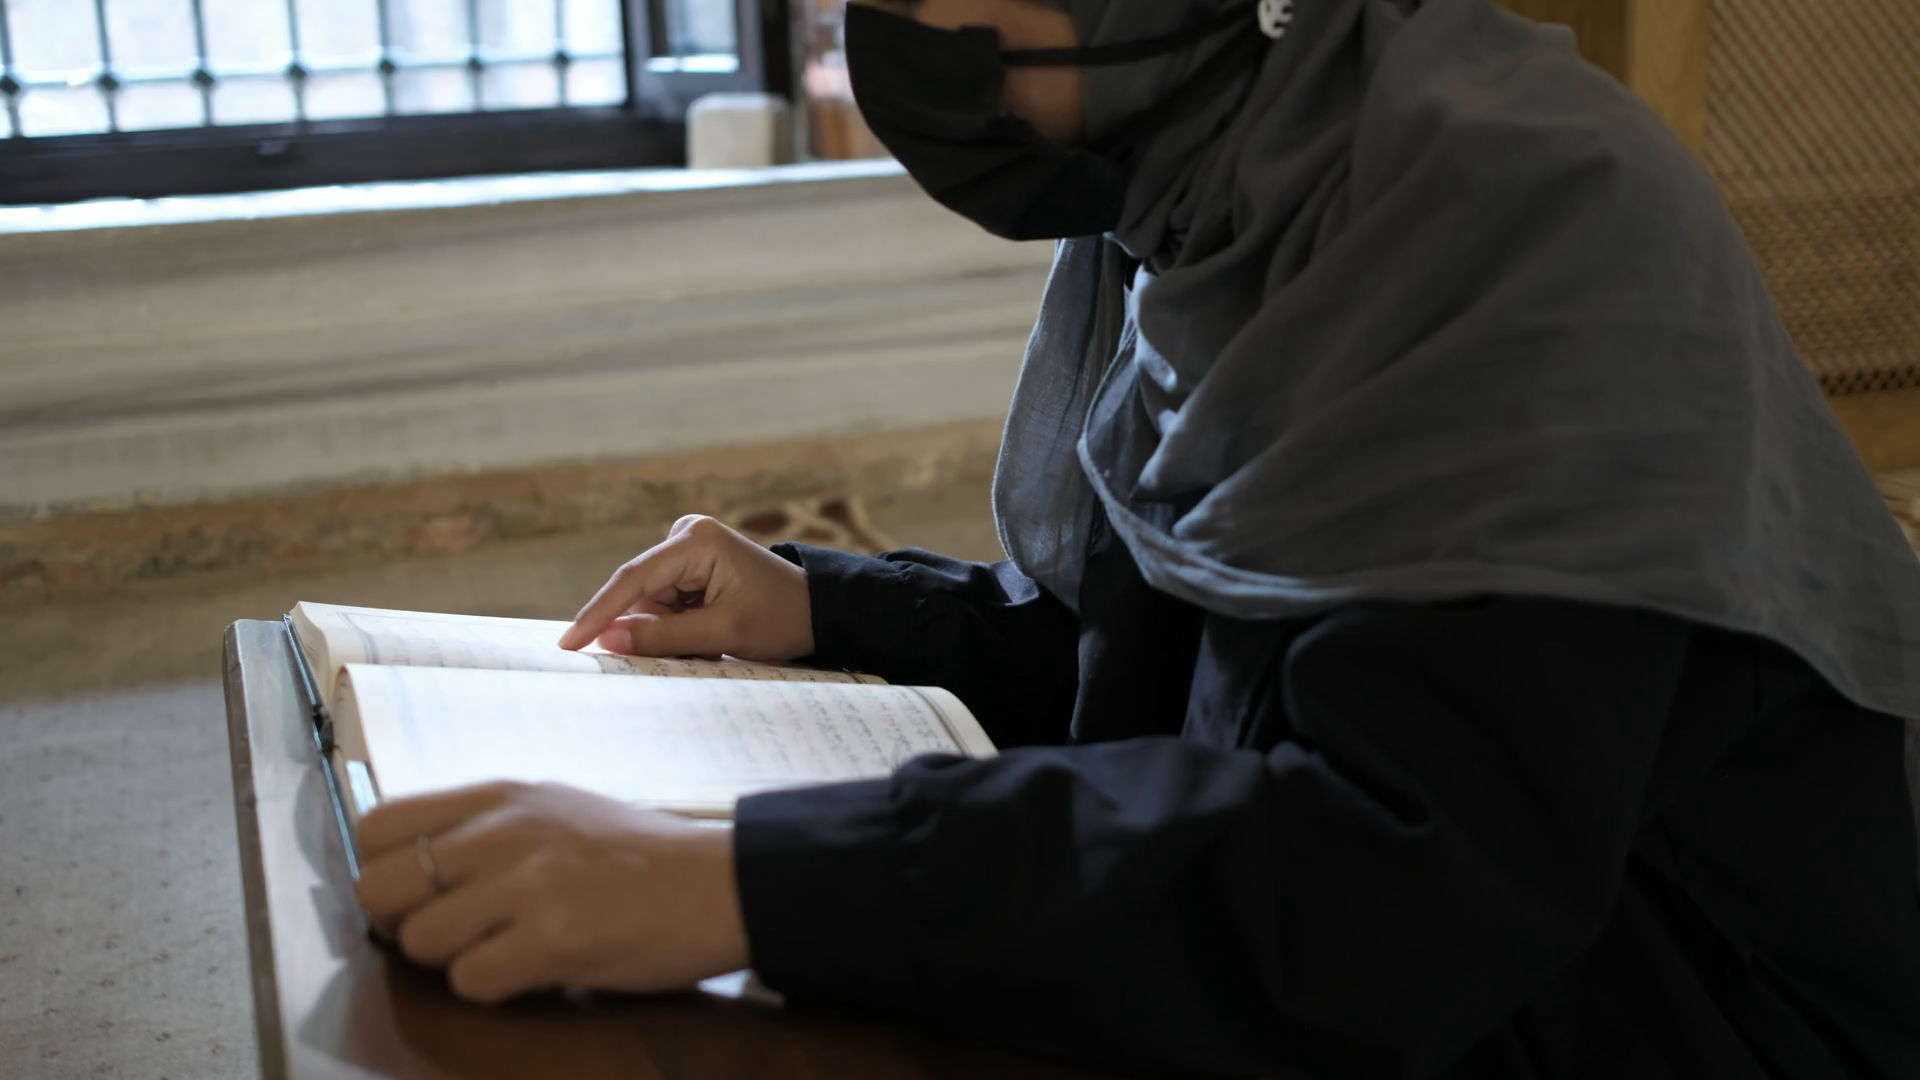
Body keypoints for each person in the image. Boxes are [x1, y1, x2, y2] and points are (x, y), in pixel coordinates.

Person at [352, 0, 1920, 1075]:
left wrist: (752, 886)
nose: (877, 29)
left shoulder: (1520, 212)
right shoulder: (1204, 188)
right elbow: (1165, 662)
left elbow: (1390, 882)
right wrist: (828, 609)